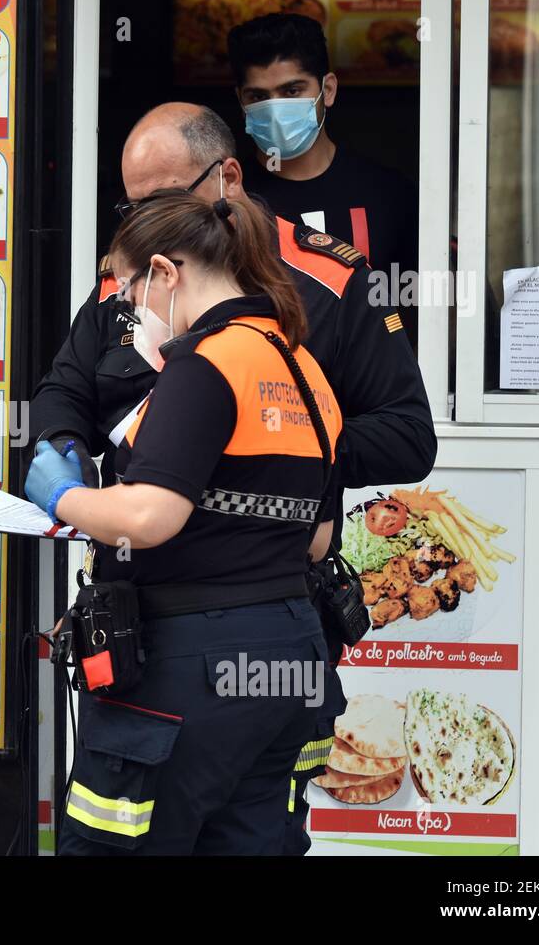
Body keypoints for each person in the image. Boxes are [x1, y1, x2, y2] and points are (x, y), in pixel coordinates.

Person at [28, 102, 435, 854]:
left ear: (228, 179)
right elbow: (67, 386)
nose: (145, 222)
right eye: (134, 206)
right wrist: (59, 444)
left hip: (194, 635)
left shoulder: (310, 291)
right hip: (245, 626)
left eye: (164, 203)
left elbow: (409, 438)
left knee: (126, 837)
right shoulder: (262, 342)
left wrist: (234, 452)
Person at [26, 191, 341, 854]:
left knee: (118, 844)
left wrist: (61, 496)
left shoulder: (202, 365)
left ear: (166, 273)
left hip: (189, 669)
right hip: (289, 654)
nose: (133, 312)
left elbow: (148, 516)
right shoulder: (303, 366)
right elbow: (316, 535)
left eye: (131, 292)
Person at [228, 13, 420, 338]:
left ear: (327, 90)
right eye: (258, 96)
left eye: (292, 90)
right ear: (241, 101)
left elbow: (424, 316)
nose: (275, 109)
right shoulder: (229, 200)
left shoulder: (389, 194)